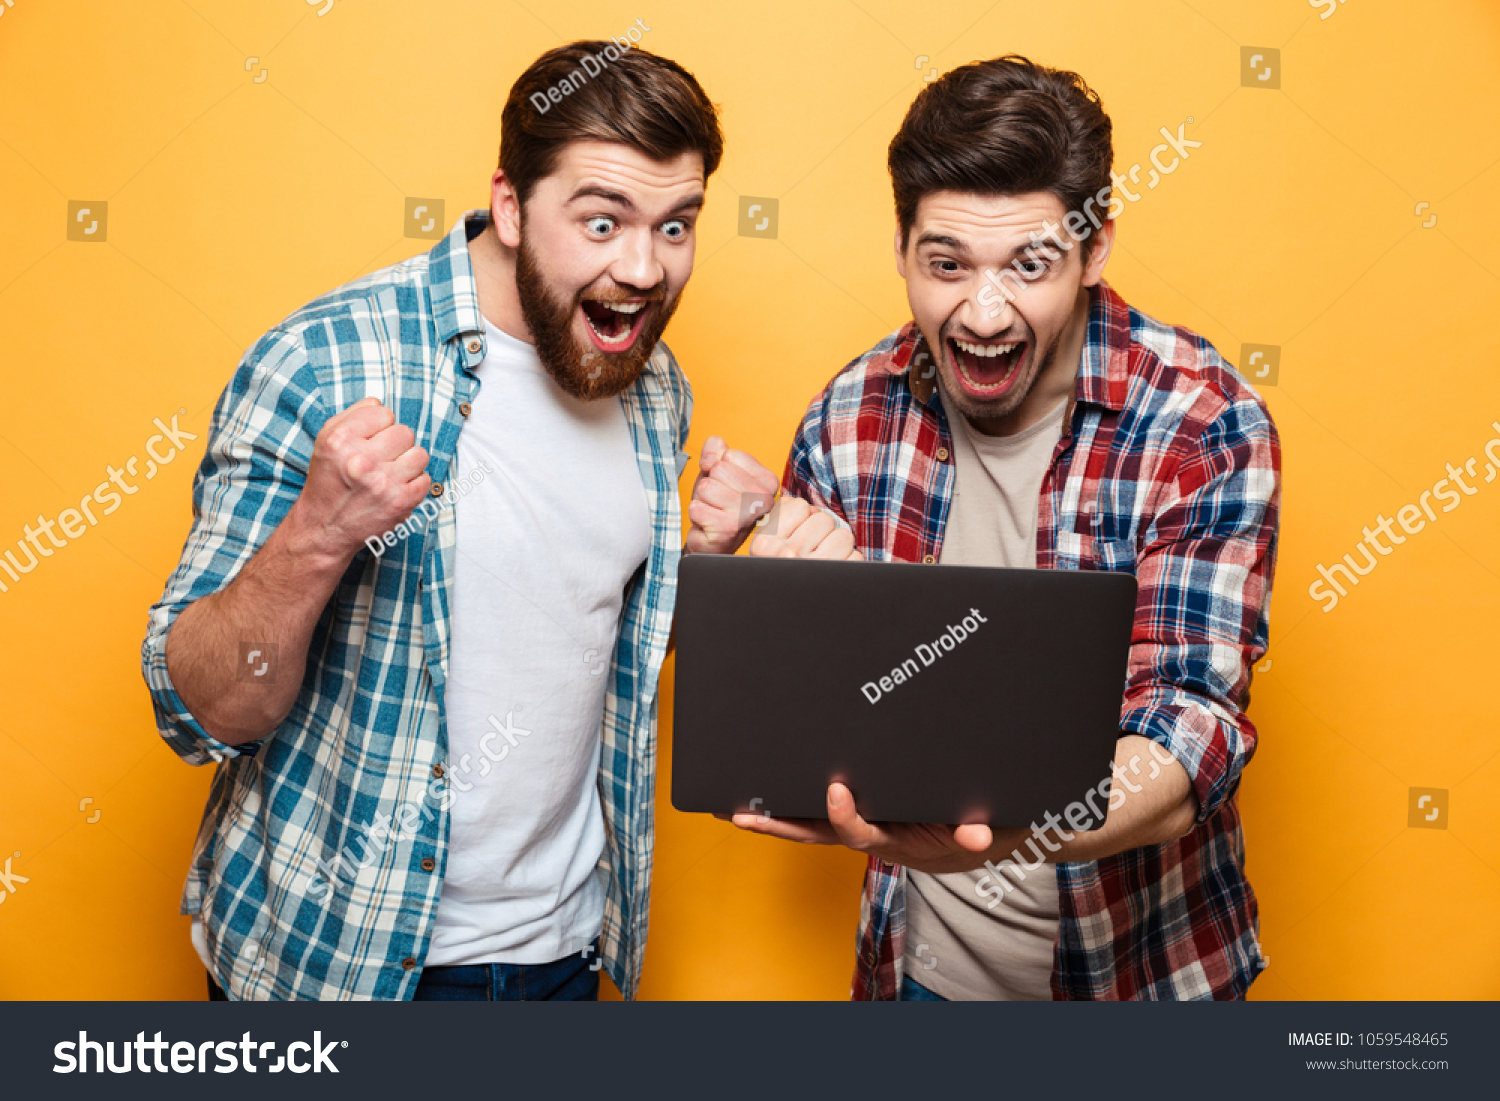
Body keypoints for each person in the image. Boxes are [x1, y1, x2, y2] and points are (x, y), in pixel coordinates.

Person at [141, 41, 779, 1001]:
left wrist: (706, 564)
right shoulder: (325, 362)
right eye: (602, 221)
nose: (644, 268)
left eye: (676, 225)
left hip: (563, 954)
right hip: (338, 965)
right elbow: (197, 714)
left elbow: (590, 640)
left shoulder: (654, 390)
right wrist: (319, 533)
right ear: (511, 208)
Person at [731, 55, 1280, 1001]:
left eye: (1029, 264)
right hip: (913, 977)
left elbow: (1190, 727)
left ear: (1094, 250)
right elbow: (813, 705)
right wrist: (759, 584)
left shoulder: (1204, 425)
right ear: (901, 247)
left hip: (1138, 981)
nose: (983, 314)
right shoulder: (848, 417)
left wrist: (1000, 833)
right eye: (947, 264)